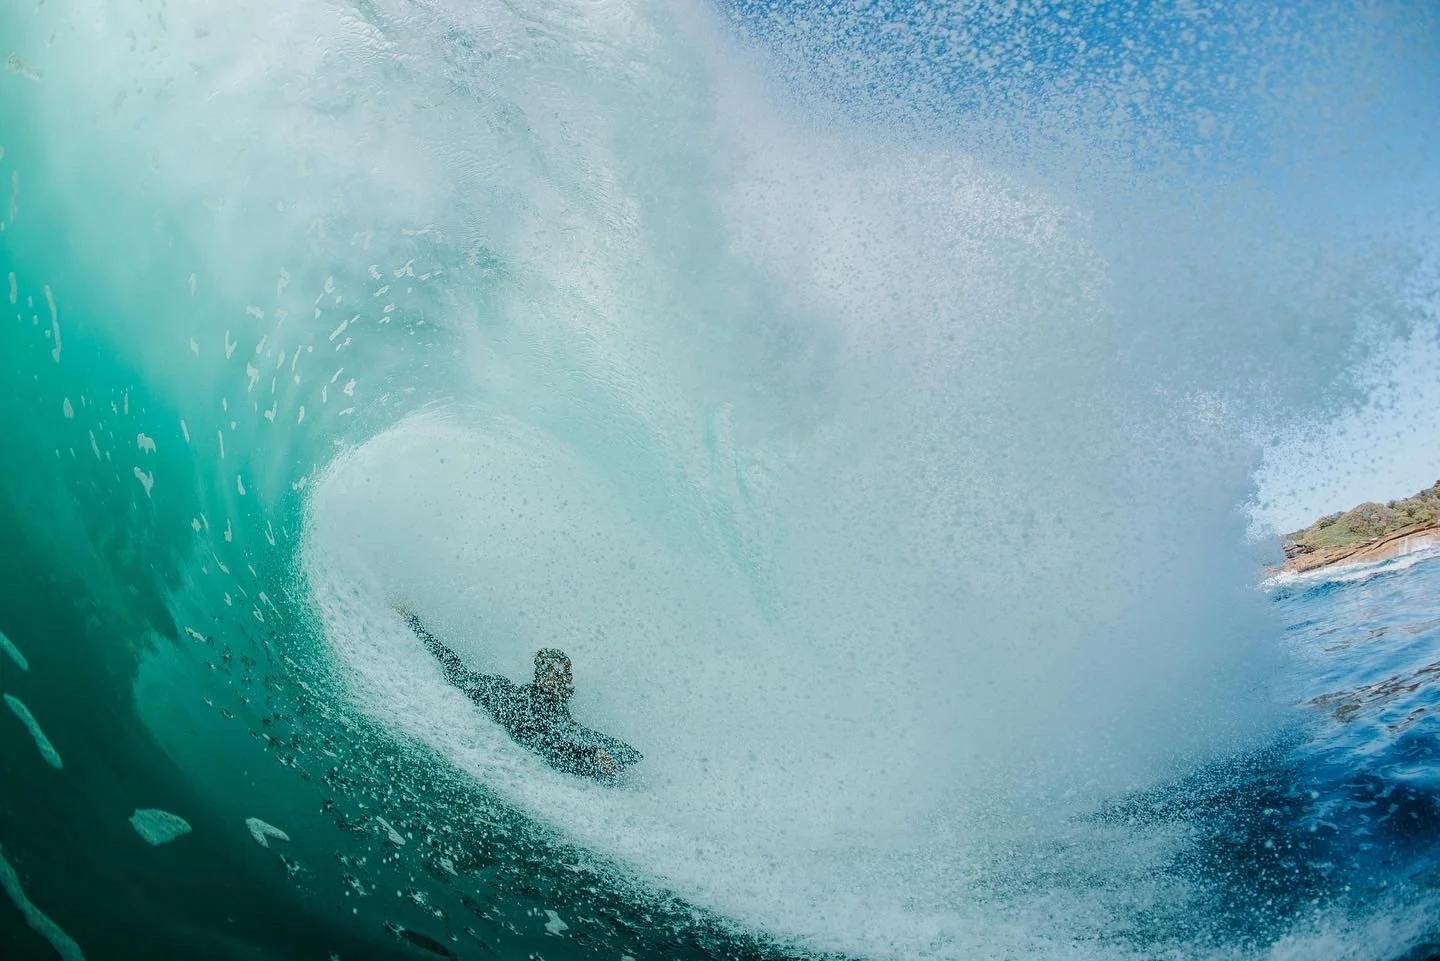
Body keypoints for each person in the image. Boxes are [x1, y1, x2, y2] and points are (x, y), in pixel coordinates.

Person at [397, 608, 642, 780]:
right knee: (456, 671)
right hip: (494, 692)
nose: (566, 679)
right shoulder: (531, 705)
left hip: (509, 691)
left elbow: (575, 730)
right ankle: (414, 624)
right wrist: (591, 755)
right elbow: (546, 744)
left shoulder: (556, 706)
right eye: (559, 674)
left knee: (625, 753)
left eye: (568, 674)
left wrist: (622, 752)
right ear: (544, 676)